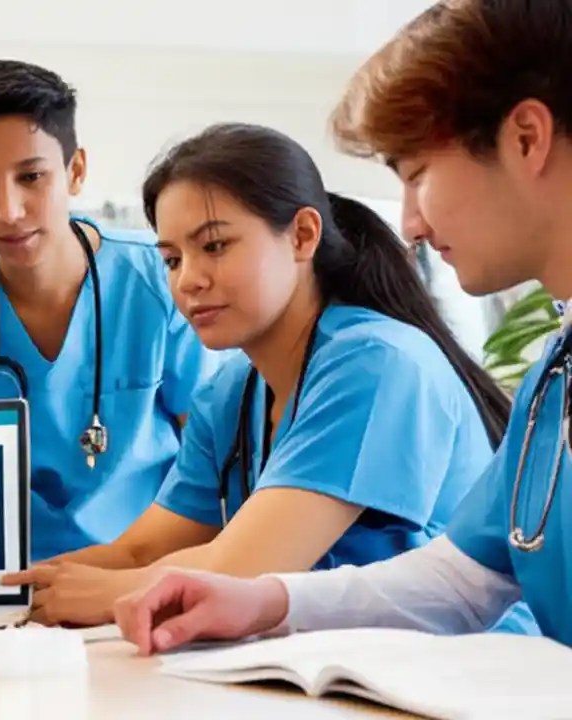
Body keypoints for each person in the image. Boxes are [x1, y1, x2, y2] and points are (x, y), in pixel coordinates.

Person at [111, 0, 572, 655]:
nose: (409, 223)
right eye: (172, 258)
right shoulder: (554, 378)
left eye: (416, 176)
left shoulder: (377, 359)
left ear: (526, 138)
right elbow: (467, 578)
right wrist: (265, 600)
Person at [2, 120, 529, 629]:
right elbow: (140, 549)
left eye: (214, 246)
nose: (189, 280)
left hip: (461, 673)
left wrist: (102, 594)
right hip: (325, 668)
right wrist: (10, 593)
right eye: (171, 259)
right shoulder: (229, 394)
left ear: (302, 235)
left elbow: (243, 567)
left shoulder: (378, 362)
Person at [0, 59, 218, 561]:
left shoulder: (158, 278)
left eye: (31, 176)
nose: (8, 211)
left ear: (75, 171)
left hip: (145, 566)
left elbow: (212, 455)